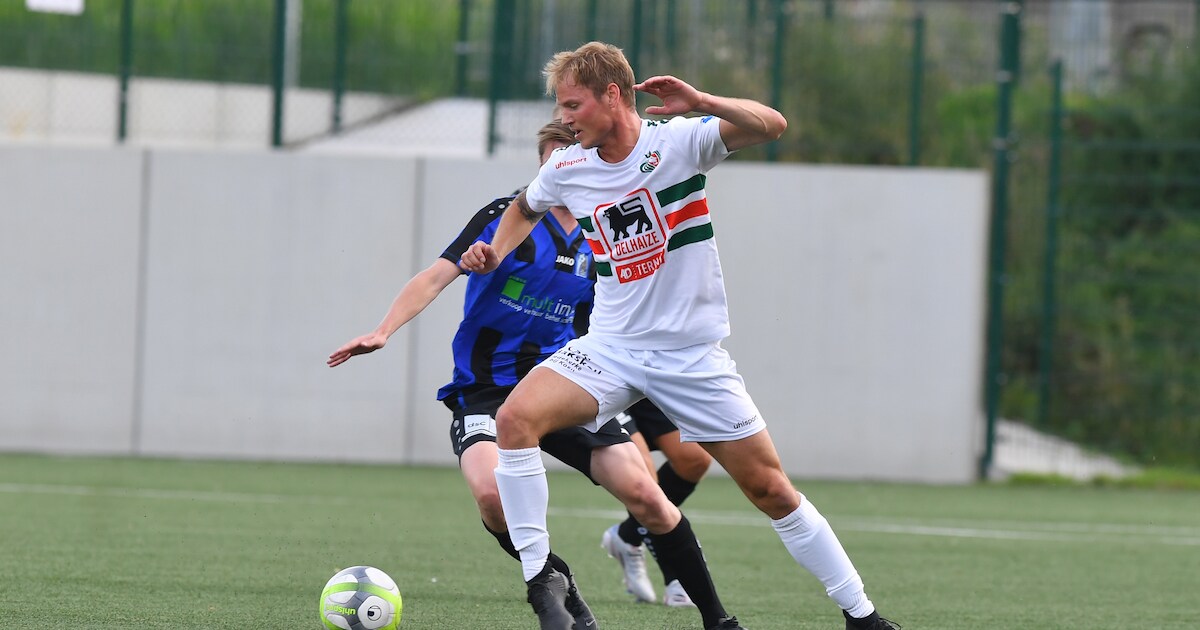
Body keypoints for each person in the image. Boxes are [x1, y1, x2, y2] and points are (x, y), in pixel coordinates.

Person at [459, 42, 901, 630]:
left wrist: (702, 101)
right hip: (610, 348)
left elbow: (771, 125)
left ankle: (862, 615)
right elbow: (524, 206)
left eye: (573, 104)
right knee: (516, 419)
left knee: (771, 490)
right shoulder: (567, 167)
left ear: (612, 95)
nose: (564, 118)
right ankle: (543, 581)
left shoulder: (679, 141)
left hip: (690, 357)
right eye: (561, 106)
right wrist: (495, 250)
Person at [328, 119, 743, 630]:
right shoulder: (504, 218)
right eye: (549, 162)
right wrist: (383, 330)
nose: (558, 170)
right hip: (485, 388)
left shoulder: (605, 228)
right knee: (492, 498)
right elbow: (436, 275)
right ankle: (555, 578)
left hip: (561, 383)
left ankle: (719, 620)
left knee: (647, 495)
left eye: (567, 158)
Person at [604, 400, 713, 607]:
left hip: (645, 386)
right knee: (644, 471)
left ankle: (628, 534)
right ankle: (676, 579)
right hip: (606, 385)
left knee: (695, 458)